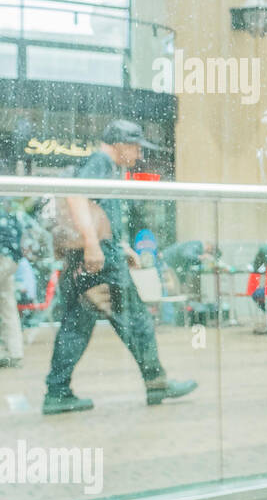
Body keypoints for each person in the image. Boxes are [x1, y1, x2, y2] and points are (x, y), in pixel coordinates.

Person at [42, 120, 198, 415]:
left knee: (76, 326)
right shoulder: (101, 162)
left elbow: (94, 211)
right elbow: (77, 196)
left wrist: (113, 244)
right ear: (121, 144)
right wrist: (93, 244)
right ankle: (156, 383)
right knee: (137, 319)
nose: (139, 155)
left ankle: (57, 391)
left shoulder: (102, 165)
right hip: (100, 262)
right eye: (136, 147)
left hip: (93, 258)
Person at [0, 203, 22, 368]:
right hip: (10, 259)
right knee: (7, 306)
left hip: (2, 256)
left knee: (6, 305)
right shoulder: (6, 211)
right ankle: (14, 353)